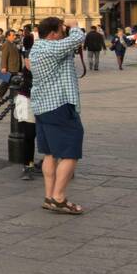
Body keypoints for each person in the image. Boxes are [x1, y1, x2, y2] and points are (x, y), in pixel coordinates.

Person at [29, 16, 87, 215]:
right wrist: (74, 25)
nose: (64, 35)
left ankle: (49, 196)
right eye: (61, 32)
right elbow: (77, 38)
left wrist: (67, 30)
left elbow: (70, 45)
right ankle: (59, 197)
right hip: (59, 106)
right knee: (71, 152)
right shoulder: (50, 48)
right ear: (53, 34)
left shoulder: (37, 47)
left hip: (42, 106)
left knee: (50, 154)